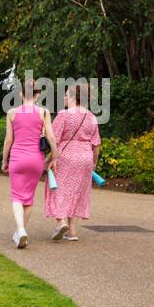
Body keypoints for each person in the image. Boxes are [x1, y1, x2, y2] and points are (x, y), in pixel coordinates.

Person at [1, 80, 58, 249]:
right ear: (37, 94)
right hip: (36, 159)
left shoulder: (11, 113)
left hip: (17, 158)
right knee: (28, 199)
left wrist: (4, 160)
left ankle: (20, 230)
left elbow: (9, 139)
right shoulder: (44, 112)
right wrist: (54, 157)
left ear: (20, 94)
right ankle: (21, 231)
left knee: (16, 197)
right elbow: (51, 138)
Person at [46, 84, 102, 242]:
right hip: (86, 157)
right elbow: (96, 144)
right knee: (76, 192)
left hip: (66, 156)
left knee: (58, 188)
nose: (63, 98)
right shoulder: (91, 116)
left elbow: (53, 139)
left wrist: (50, 159)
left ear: (72, 97)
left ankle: (60, 222)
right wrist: (93, 164)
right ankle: (71, 231)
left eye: (65, 95)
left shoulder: (63, 114)